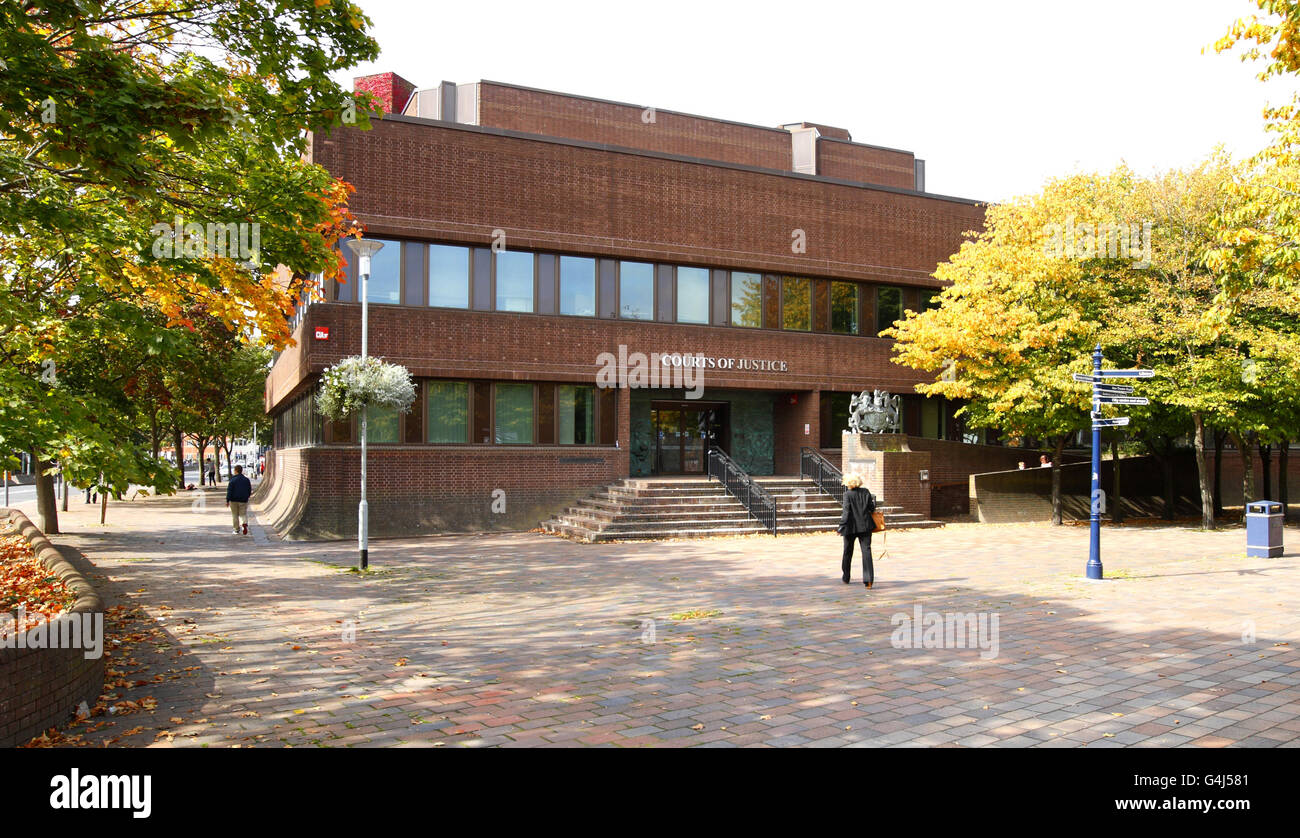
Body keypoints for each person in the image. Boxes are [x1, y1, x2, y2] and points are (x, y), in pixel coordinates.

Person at [837, 472, 877, 588]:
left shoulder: (847, 495)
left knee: (847, 551)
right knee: (866, 551)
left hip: (850, 527)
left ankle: (846, 576)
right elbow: (872, 507)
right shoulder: (866, 492)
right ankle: (868, 580)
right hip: (865, 525)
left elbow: (846, 512)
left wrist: (841, 526)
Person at [225, 465, 252, 535]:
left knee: (235, 515)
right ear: (241, 471)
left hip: (233, 500)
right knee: (243, 513)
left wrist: (227, 500)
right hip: (243, 499)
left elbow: (229, 491)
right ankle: (244, 523)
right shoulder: (246, 480)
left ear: (235, 471)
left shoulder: (232, 480)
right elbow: (249, 490)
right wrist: (247, 496)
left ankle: (236, 529)